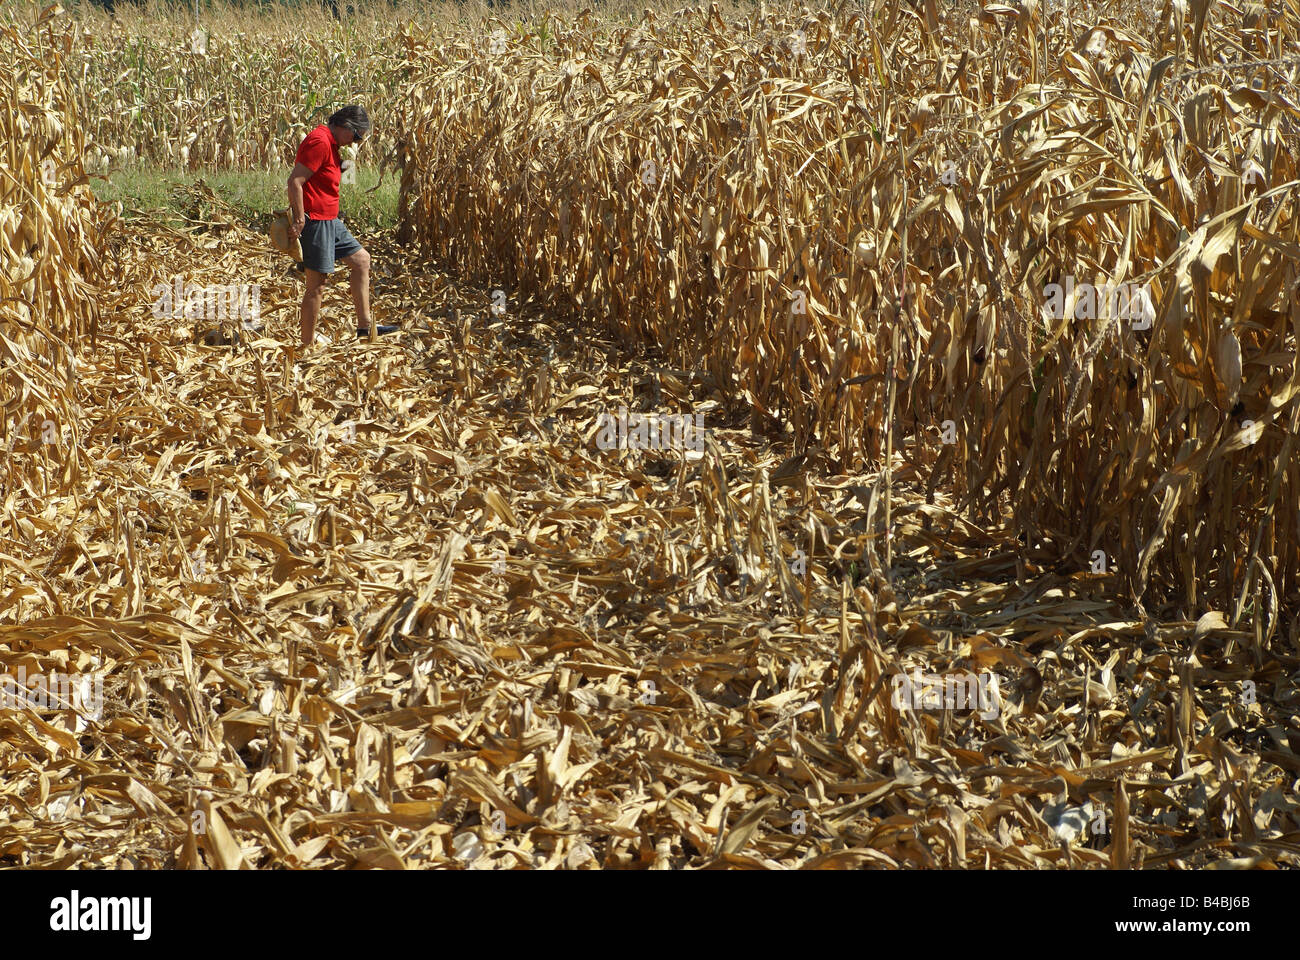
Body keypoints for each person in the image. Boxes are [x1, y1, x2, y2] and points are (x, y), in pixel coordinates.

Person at [287, 105, 394, 347]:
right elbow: (295, 181)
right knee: (317, 286)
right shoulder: (320, 142)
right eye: (356, 136)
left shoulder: (332, 144)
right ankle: (306, 346)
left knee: (361, 261)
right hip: (315, 221)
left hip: (330, 220)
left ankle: (365, 327)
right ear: (344, 125)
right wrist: (300, 219)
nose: (355, 141)